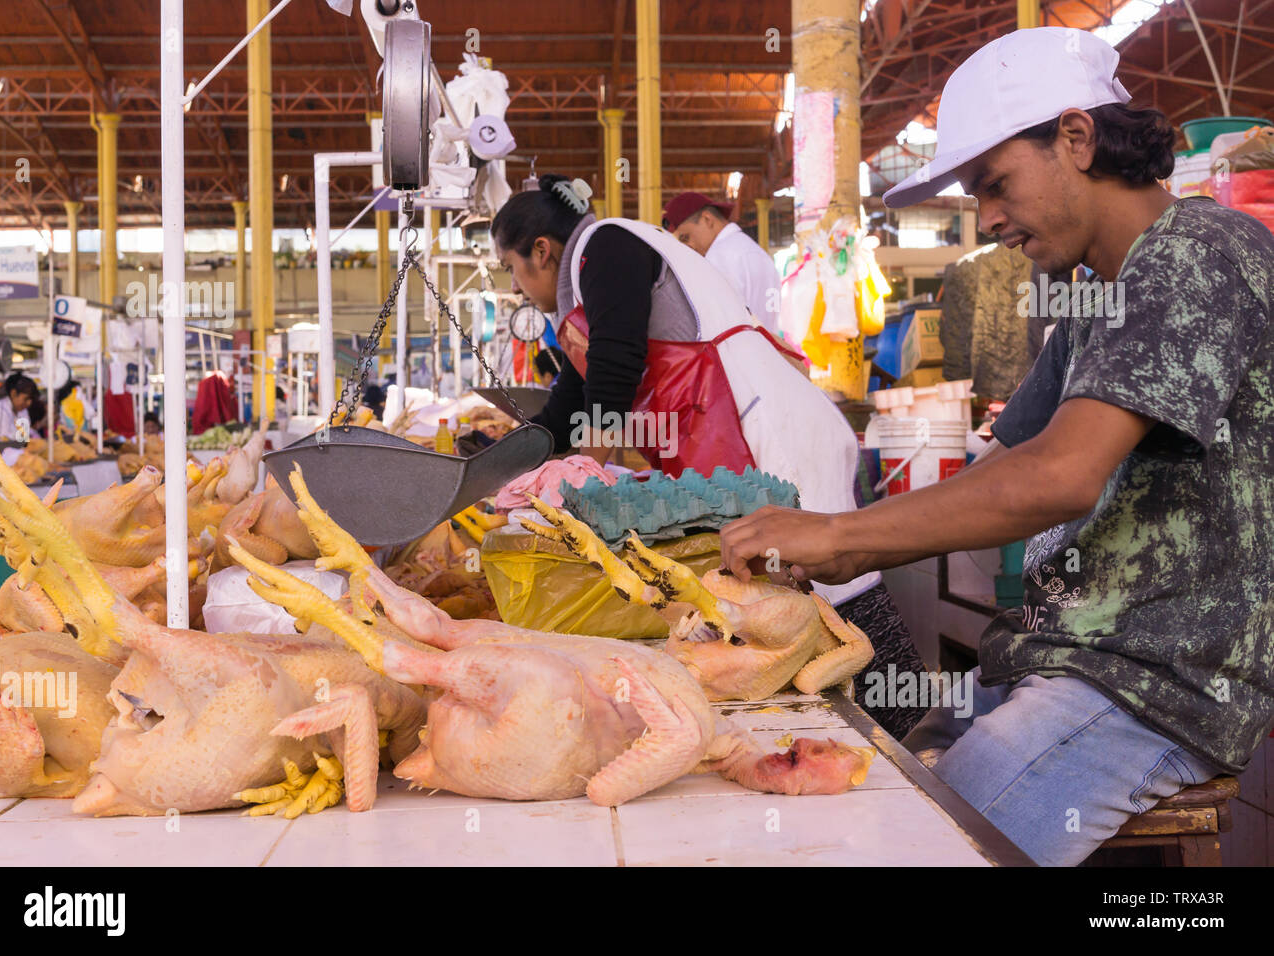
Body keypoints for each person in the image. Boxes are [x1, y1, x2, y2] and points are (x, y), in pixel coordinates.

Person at [720, 27, 1274, 866]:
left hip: (1157, 688)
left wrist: (841, 535)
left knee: (917, 846)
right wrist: (842, 541)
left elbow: (1059, 477)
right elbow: (1008, 459)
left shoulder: (1199, 255)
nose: (989, 219)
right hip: (1065, 664)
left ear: (1077, 138)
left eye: (996, 185)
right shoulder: (1095, 296)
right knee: (874, 782)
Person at [492, 173, 927, 738]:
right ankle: (844, 735)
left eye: (510, 268)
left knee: (838, 592)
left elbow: (616, 369)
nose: (517, 284)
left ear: (541, 251)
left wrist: (586, 474)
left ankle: (913, 738)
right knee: (788, 601)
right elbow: (569, 404)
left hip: (772, 433)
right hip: (735, 440)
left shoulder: (609, 246)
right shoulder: (583, 288)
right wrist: (495, 466)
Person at [663, 192, 783, 336]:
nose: (687, 246)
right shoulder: (757, 252)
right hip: (768, 353)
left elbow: (715, 327)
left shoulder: (716, 259)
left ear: (707, 219)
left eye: (685, 237)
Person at [0, 372, 39, 443]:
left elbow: (27, 435)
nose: (29, 403)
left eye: (31, 399)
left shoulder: (22, 412)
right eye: (26, 399)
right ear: (13, 393)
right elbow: (0, 442)